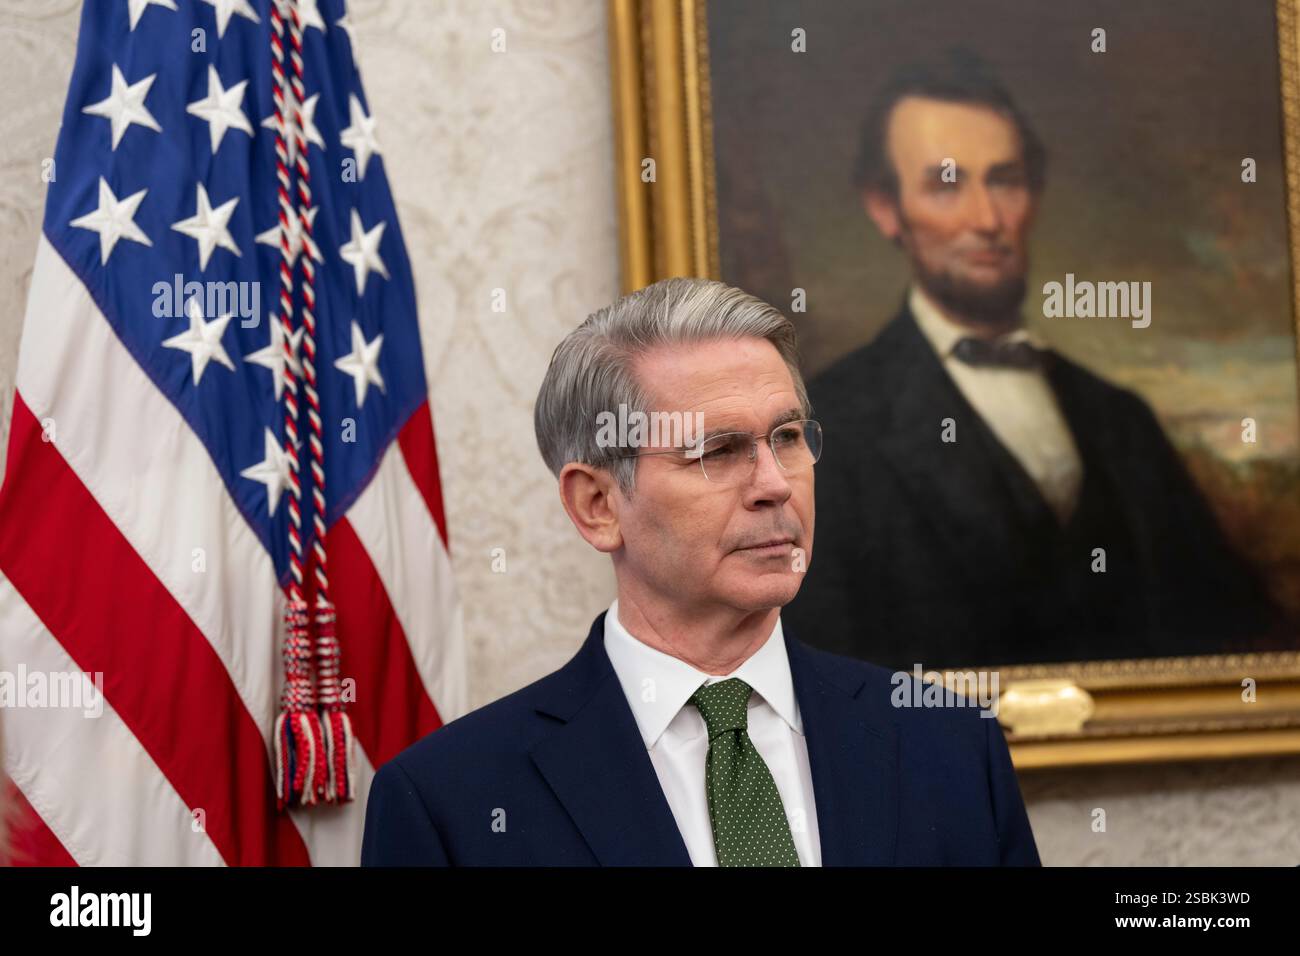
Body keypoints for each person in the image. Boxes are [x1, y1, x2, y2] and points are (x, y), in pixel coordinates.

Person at [361, 276, 1039, 866]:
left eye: (789, 437)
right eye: (717, 450)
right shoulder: (451, 801)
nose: (775, 484)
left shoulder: (951, 747)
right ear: (598, 505)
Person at [783, 50, 1275, 669]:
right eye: (947, 183)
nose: (987, 219)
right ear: (887, 209)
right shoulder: (833, 426)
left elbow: (1238, 642)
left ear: (1034, 196)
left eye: (1005, 180)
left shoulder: (1120, 420)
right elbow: (824, 676)